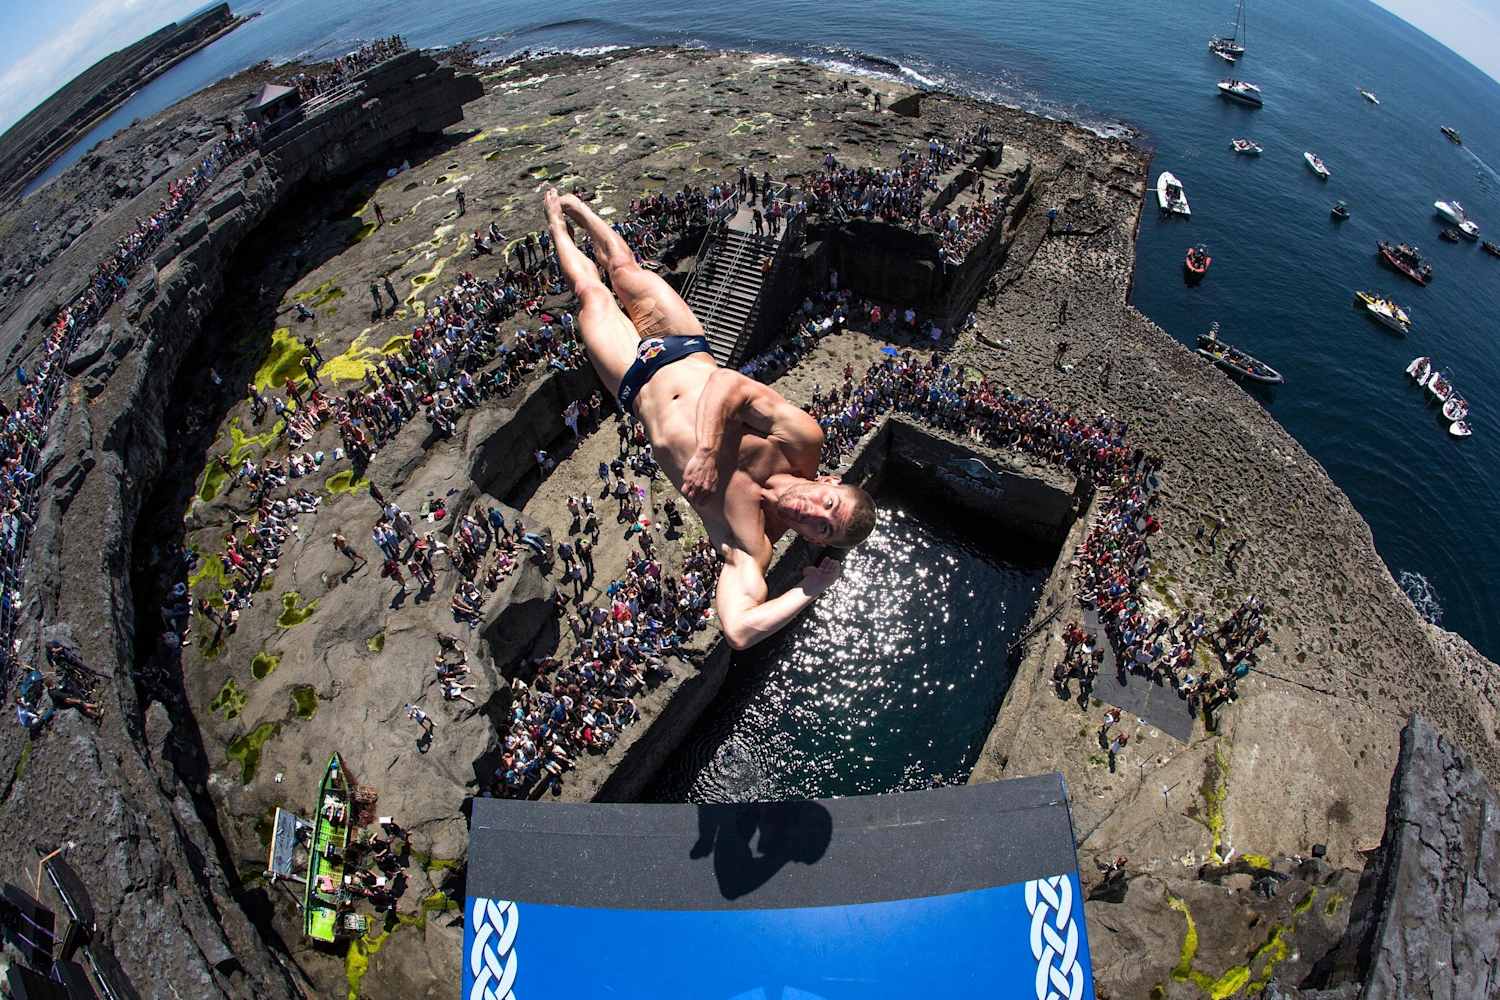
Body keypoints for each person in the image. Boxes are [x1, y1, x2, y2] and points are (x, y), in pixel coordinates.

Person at [543, 187, 875, 650]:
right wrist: (707, 451)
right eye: (829, 505)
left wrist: (810, 589)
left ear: (815, 540)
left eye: (824, 528)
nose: (814, 513)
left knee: (591, 293)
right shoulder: (802, 442)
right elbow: (729, 385)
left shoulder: (750, 544)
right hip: (684, 345)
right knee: (623, 269)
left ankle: (557, 225)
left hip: (634, 380)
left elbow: (739, 630)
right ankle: (580, 209)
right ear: (830, 481)